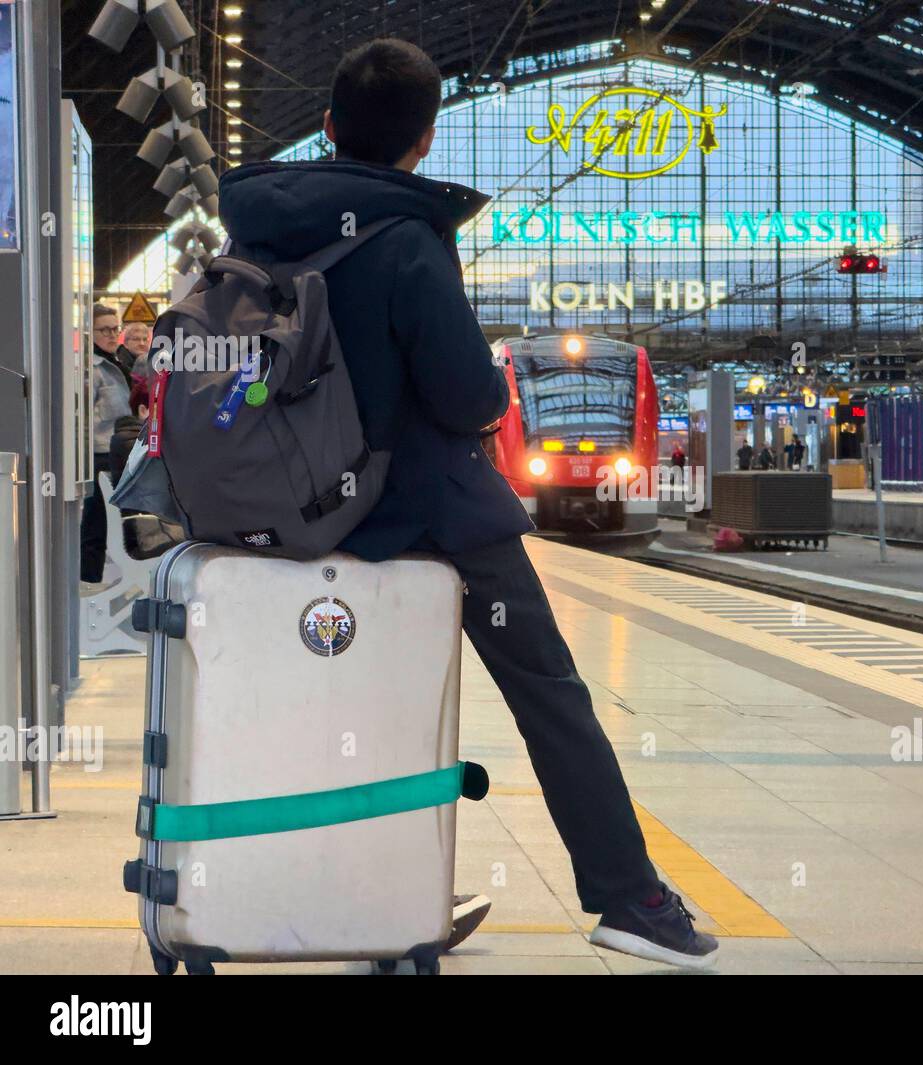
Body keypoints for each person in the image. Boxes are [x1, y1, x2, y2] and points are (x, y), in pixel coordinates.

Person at [217, 38, 717, 969]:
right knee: (550, 697)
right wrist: (488, 396)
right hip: (430, 514)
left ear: (326, 127)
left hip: (294, 515)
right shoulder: (408, 237)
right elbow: (464, 396)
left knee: (348, 710)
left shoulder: (256, 229)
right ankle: (628, 898)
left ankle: (375, 893)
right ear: (426, 141)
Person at [80, 304, 134, 584]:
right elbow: (81, 416)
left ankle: (117, 579)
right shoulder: (91, 370)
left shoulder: (118, 363)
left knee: (121, 523)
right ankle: (88, 581)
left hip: (121, 453)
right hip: (99, 455)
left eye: (115, 329)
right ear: (90, 334)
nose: (112, 335)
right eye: (105, 330)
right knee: (96, 524)